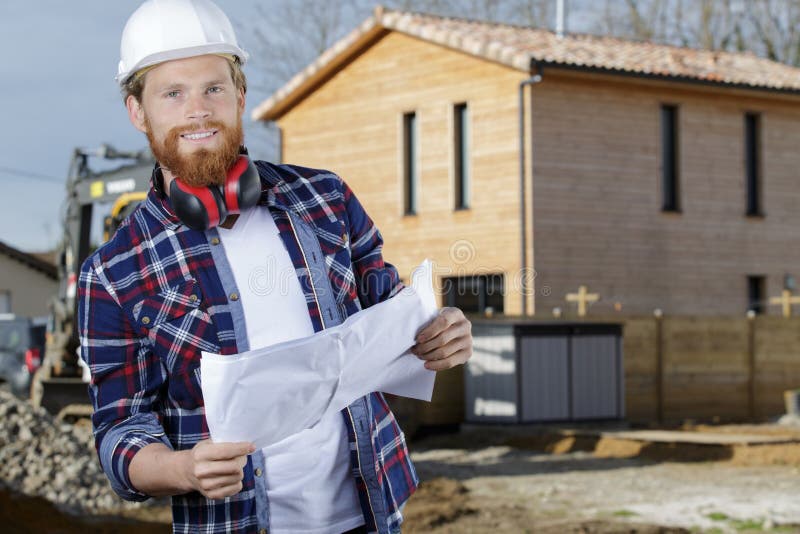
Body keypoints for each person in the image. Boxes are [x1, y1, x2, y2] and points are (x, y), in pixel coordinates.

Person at [77, 1, 473, 533]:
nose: (198, 110)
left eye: (214, 88)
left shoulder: (325, 198)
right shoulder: (112, 272)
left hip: (372, 513)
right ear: (138, 111)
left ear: (240, 96)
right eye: (173, 93)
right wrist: (181, 468)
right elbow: (119, 432)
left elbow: (391, 312)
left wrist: (438, 332)